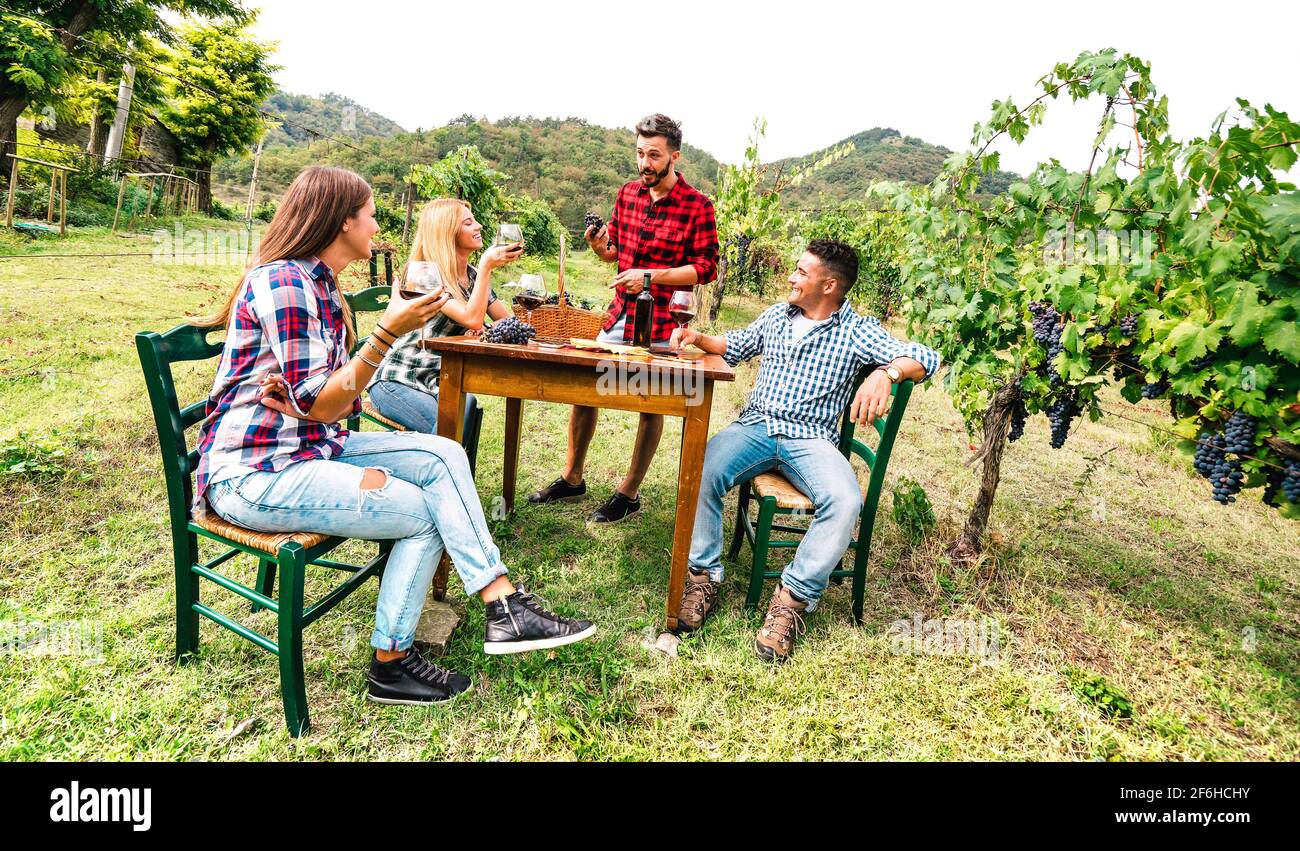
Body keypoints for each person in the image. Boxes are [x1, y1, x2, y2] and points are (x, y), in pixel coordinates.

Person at [192, 166, 596, 707]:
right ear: (342, 223)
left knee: (443, 454)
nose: (379, 223)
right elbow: (326, 400)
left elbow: (329, 402)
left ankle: (503, 606)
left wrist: (316, 400)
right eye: (371, 213)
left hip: (312, 444)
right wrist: (384, 335)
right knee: (425, 510)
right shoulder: (286, 283)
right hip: (258, 472)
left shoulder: (320, 283)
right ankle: (392, 663)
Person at [668, 239, 941, 663]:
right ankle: (704, 576)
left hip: (811, 439)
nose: (791, 278)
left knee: (846, 501)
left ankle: (791, 601)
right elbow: (736, 345)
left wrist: (888, 373)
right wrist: (697, 336)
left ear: (829, 285)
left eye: (801, 272)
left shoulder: (856, 330)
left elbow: (925, 357)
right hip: (756, 426)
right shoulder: (778, 315)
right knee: (699, 468)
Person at [528, 113, 719, 525]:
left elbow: (706, 268)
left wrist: (649, 276)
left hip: (666, 319)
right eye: (639, 153)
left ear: (674, 156)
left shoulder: (698, 206)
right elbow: (616, 254)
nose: (644, 163)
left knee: (649, 402)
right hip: (620, 313)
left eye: (654, 155)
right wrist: (601, 246)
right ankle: (572, 477)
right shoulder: (628, 195)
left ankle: (628, 493)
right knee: (585, 386)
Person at [367, 199, 522, 432]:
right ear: (447, 232)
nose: (479, 226)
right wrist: (487, 266)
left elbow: (507, 322)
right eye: (468, 223)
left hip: (438, 382)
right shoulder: (427, 277)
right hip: (398, 379)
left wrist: (490, 330)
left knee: (466, 405)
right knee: (448, 429)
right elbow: (471, 318)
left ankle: (449, 465)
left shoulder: (473, 277)